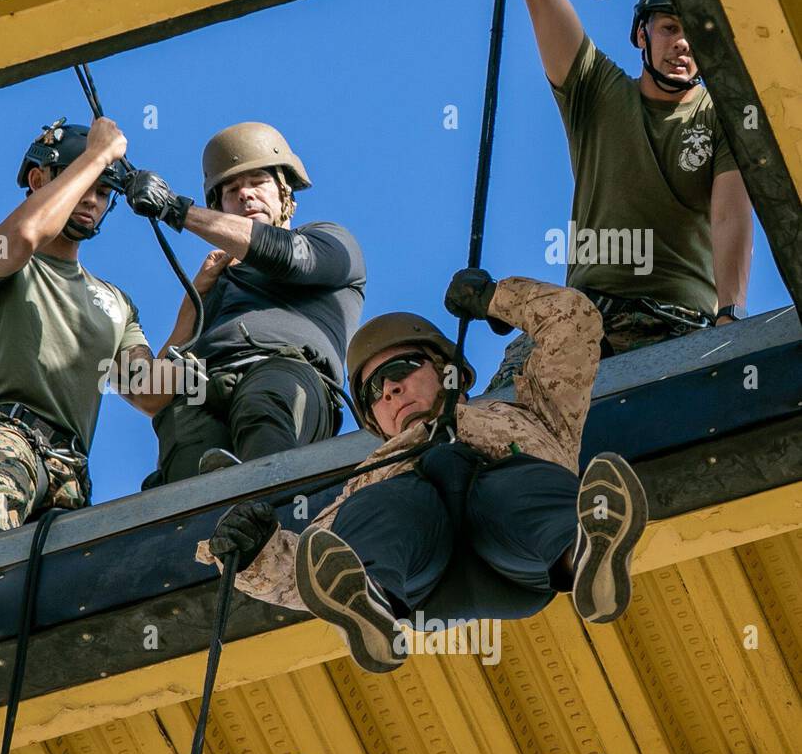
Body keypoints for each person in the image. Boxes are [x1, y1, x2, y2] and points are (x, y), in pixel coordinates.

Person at [201, 269, 648, 673]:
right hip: (422, 584)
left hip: (526, 556)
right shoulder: (369, 476)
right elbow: (311, 568)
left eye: (402, 369)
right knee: (378, 508)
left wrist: (497, 299)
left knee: (517, 482)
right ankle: (369, 603)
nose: (391, 389)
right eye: (375, 390)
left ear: (448, 372)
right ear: (375, 419)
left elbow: (573, 323)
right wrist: (254, 551)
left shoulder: (531, 413)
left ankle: (587, 554)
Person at [486, 0, 753, 391]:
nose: (683, 42)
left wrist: (730, 315)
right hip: (584, 315)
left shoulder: (722, 116)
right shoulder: (596, 91)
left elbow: (731, 214)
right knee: (502, 413)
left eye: (695, 33)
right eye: (669, 27)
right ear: (641, 36)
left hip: (676, 320)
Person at [0, 117, 185, 549]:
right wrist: (97, 156)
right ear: (37, 178)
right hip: (2, 440)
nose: (92, 199)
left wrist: (198, 303)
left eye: (104, 192)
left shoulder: (115, 302)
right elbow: (26, 235)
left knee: (52, 597)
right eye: (79, 180)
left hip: (69, 470)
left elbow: (149, 392)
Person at [121, 122, 366, 484]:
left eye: (257, 182)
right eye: (232, 190)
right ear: (220, 207)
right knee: (187, 449)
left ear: (286, 195)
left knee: (262, 407)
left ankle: (269, 514)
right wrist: (197, 298)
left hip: (285, 375)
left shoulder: (329, 242)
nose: (246, 195)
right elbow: (153, 396)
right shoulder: (210, 284)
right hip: (204, 386)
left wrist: (176, 210)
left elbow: (286, 255)